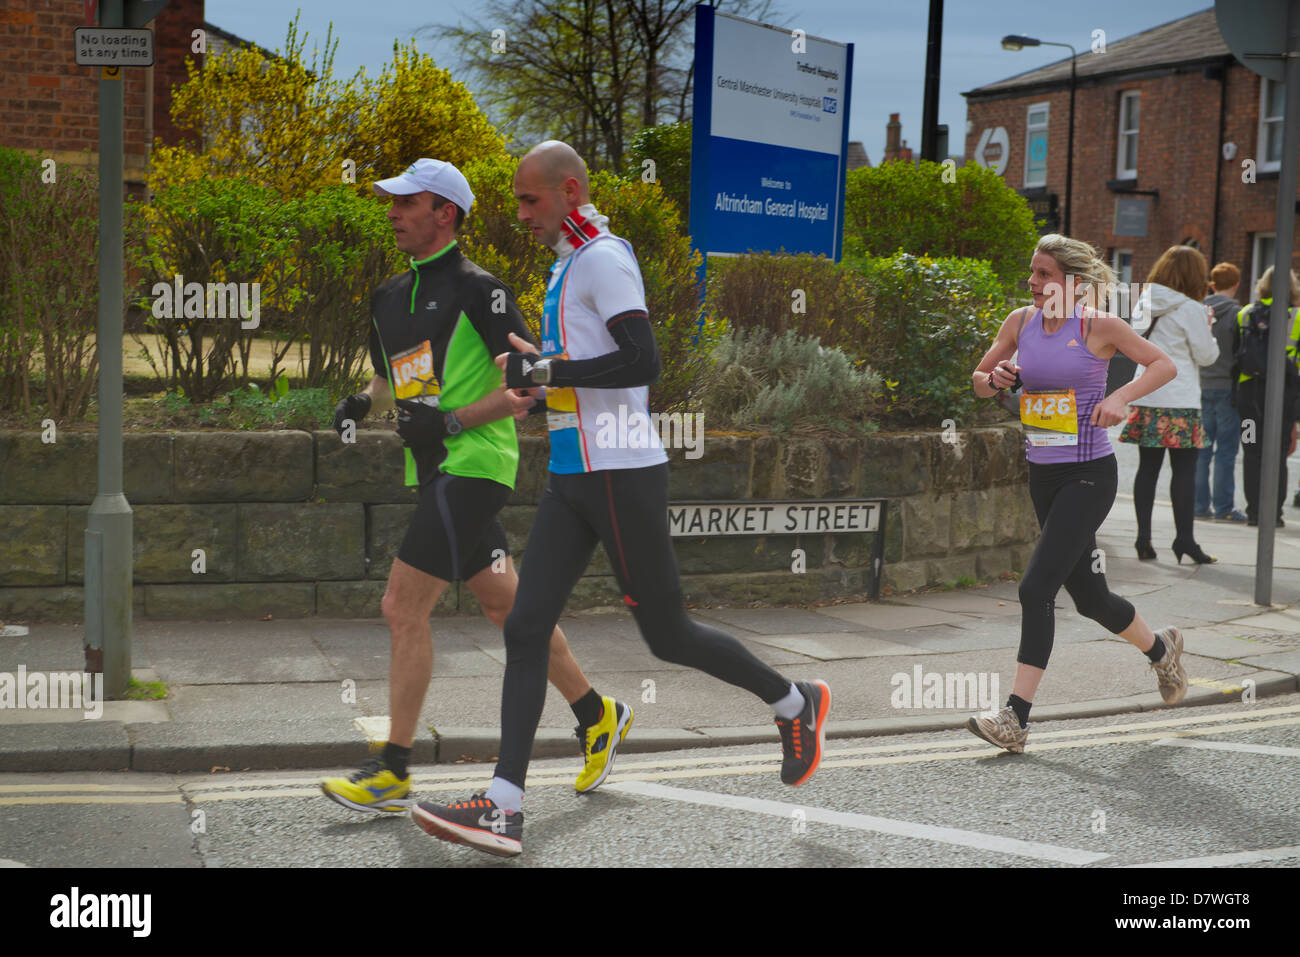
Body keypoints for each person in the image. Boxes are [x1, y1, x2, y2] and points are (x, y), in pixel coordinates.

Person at [409, 141, 830, 857]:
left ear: (570, 191)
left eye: (529, 200)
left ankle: (795, 701)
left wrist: (550, 365)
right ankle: (504, 804)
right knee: (524, 626)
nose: (520, 214)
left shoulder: (604, 256)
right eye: (514, 201)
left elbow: (644, 359)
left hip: (622, 474)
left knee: (667, 635)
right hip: (573, 474)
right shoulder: (567, 265)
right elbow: (580, 377)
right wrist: (538, 384)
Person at [319, 159, 633, 814]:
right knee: (507, 609)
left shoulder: (481, 292)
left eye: (410, 201)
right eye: (392, 202)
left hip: (476, 464)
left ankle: (393, 771)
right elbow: (392, 380)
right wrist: (359, 402)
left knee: (402, 607)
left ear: (447, 214)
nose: (395, 211)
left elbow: (524, 389)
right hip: (435, 470)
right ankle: (596, 714)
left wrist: (452, 420)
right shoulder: (387, 297)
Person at [968, 234, 1185, 753]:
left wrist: (1120, 397)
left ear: (1072, 283)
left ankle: (1015, 719)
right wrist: (995, 377)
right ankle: (1162, 650)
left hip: (1089, 475)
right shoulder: (1019, 322)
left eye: (1044, 274)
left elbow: (1163, 365)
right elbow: (978, 381)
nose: (1033, 282)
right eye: (1032, 273)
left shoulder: (1099, 325)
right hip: (1042, 474)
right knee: (1090, 599)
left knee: (1035, 588)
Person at [1118, 245, 1220, 562]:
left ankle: (1143, 540)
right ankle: (1185, 539)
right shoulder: (1192, 309)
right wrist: (1210, 331)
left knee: (1147, 469)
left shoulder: (1144, 302)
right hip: (1180, 397)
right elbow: (1207, 356)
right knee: (1184, 471)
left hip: (1147, 394)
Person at [1235, 265, 1300, 528]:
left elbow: (1235, 355)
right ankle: (1274, 514)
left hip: (1249, 396)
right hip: (1284, 395)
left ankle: (1253, 513)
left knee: (1251, 452)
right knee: (1279, 453)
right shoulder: (1296, 317)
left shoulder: (1245, 314)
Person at [1197, 262, 1247, 523]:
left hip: (1201, 385)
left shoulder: (1198, 310)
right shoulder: (1238, 314)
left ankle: (1199, 506)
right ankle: (1224, 507)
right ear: (1237, 284)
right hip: (1228, 388)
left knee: (1202, 449)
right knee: (1226, 452)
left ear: (1212, 285)